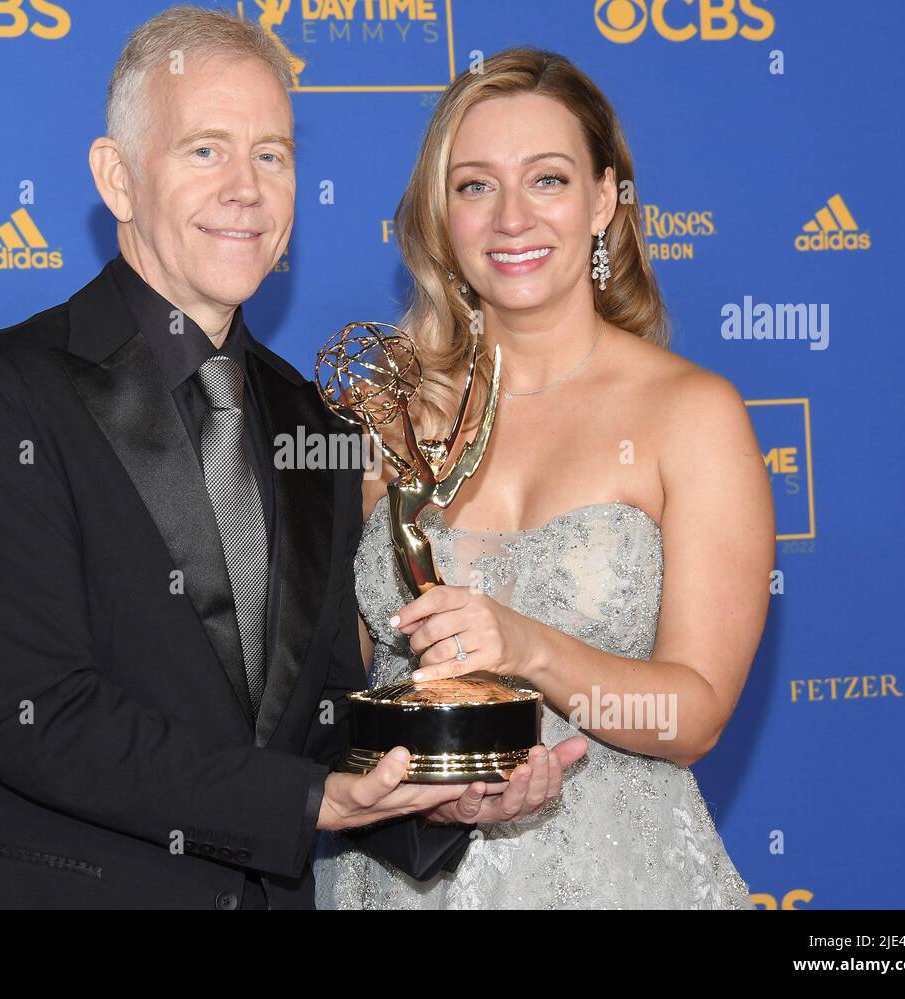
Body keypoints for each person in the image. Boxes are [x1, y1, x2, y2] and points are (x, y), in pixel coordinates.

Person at [0, 7, 581, 911]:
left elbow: (323, 712)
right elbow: (38, 714)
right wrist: (305, 800)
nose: (248, 190)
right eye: (205, 150)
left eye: (273, 155)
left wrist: (446, 798)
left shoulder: (317, 419)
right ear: (118, 178)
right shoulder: (6, 393)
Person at [315, 47, 773, 909]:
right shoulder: (388, 415)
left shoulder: (691, 414)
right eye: (475, 185)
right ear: (440, 215)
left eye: (548, 180)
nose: (510, 218)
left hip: (612, 877)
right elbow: (338, 682)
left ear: (605, 199)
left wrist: (525, 645)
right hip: (400, 875)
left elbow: (696, 715)